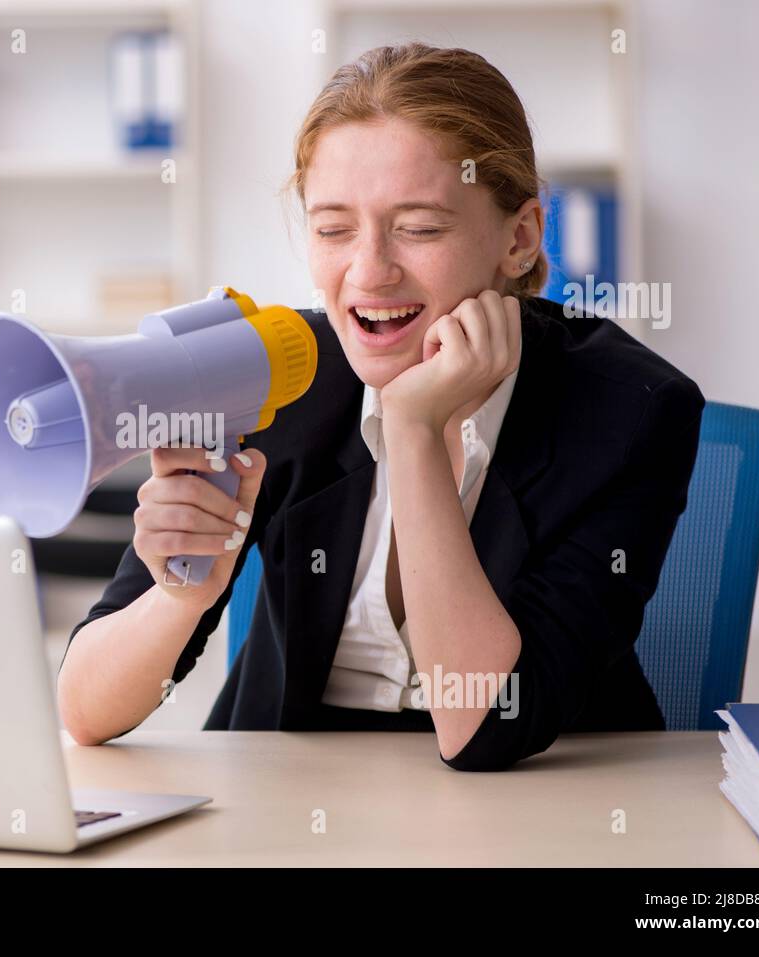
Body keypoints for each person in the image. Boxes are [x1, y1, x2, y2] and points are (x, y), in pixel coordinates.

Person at [57, 43, 704, 771]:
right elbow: (84, 712)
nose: (369, 271)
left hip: (534, 813)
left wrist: (413, 427)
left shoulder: (633, 411)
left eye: (420, 227)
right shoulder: (280, 372)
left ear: (519, 237)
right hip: (293, 803)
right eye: (333, 228)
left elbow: (482, 727)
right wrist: (180, 596)